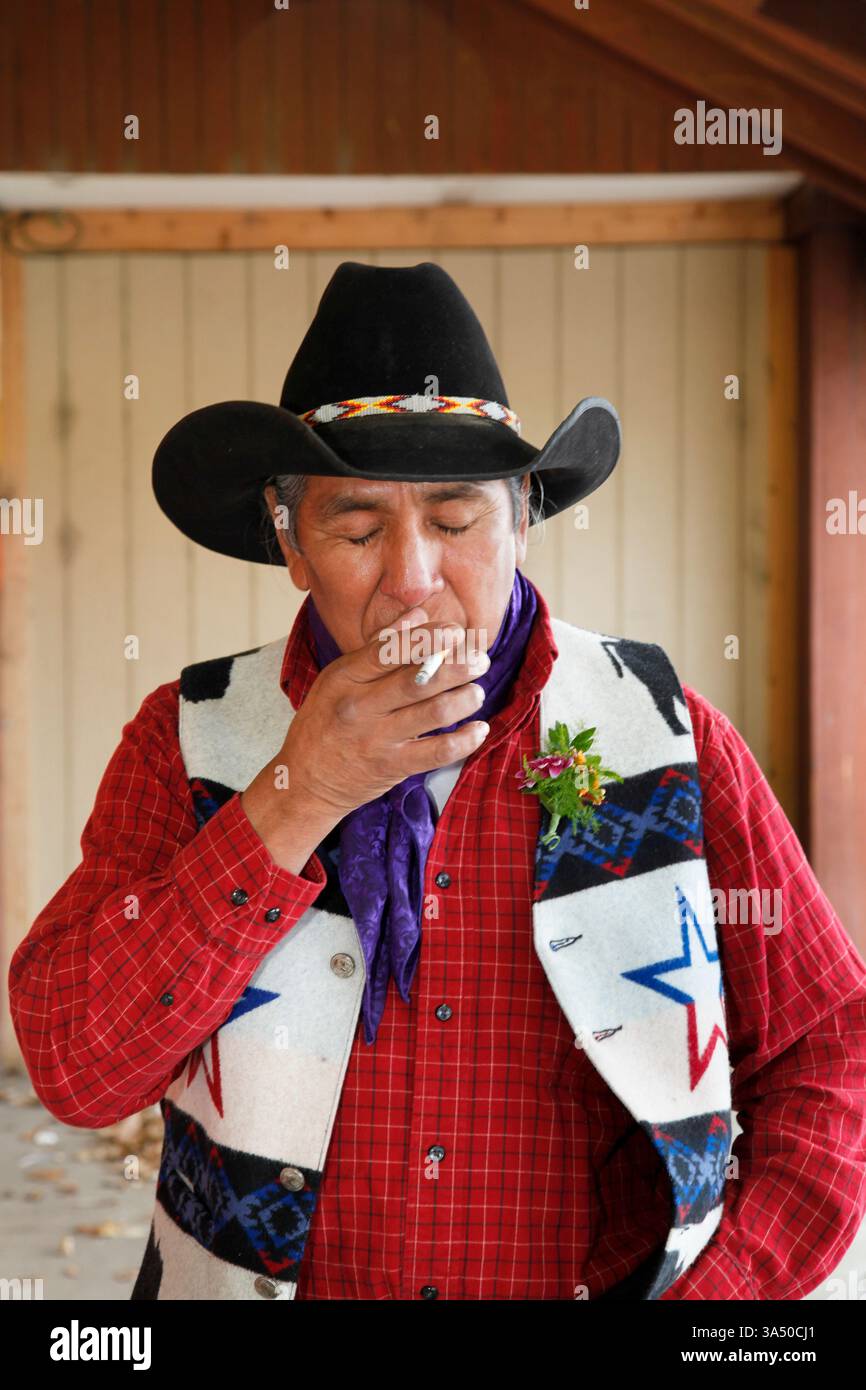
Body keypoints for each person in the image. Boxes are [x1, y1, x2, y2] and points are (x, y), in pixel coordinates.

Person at [10, 262, 866, 1302]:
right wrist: (296, 795)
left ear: (521, 521)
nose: (412, 575)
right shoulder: (186, 741)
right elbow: (77, 1071)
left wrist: (718, 1301)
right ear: (290, 544)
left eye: (455, 522)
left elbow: (830, 1059)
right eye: (358, 529)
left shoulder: (667, 738)